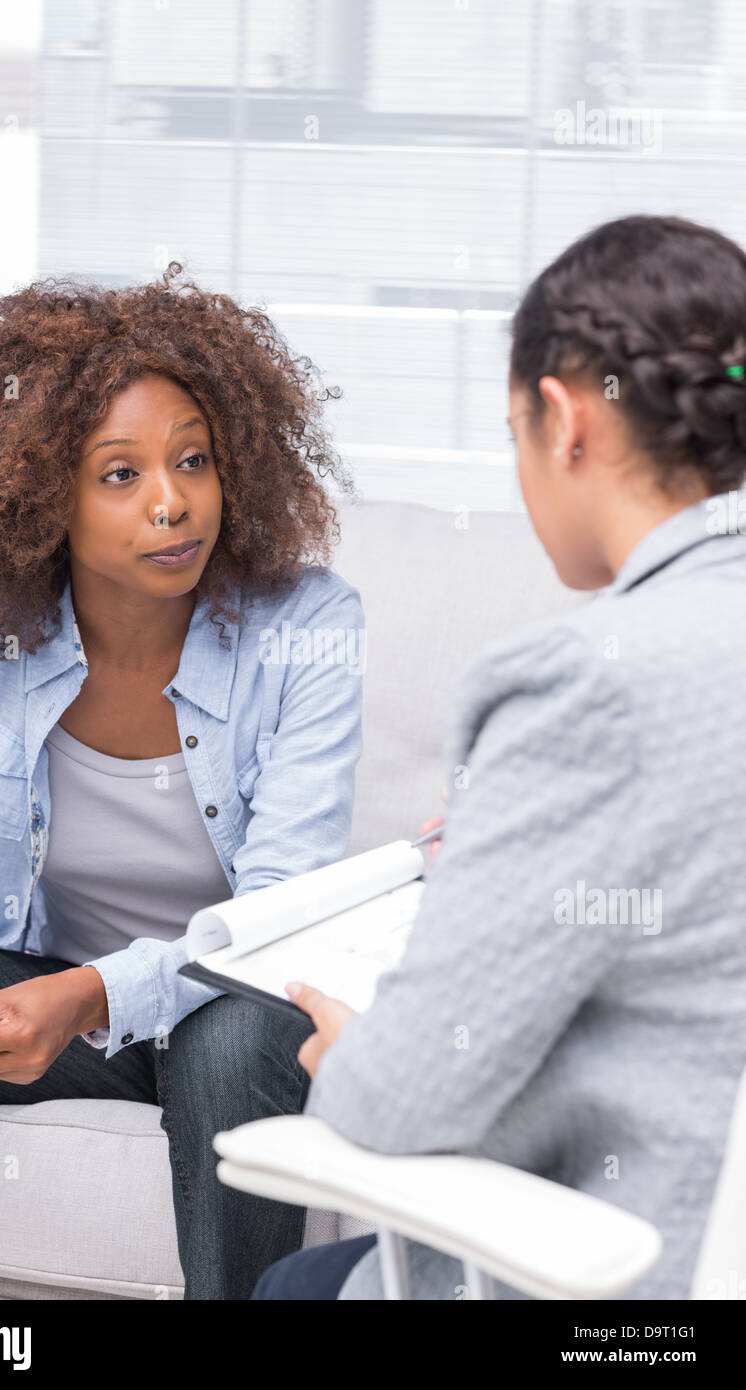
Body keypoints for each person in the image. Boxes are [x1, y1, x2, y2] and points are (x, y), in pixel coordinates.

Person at [251, 213, 746, 1300]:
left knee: (292, 1289)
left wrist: (356, 1053)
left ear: (564, 422)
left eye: (513, 430)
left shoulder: (583, 682)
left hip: (630, 1269)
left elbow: (403, 1099)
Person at [0, 263, 365, 1300]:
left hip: (229, 1005)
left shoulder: (311, 625)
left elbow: (276, 913)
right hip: (38, 975)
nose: (171, 500)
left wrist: (95, 993)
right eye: (120, 474)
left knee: (234, 1043)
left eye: (193, 460)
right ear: (35, 489)